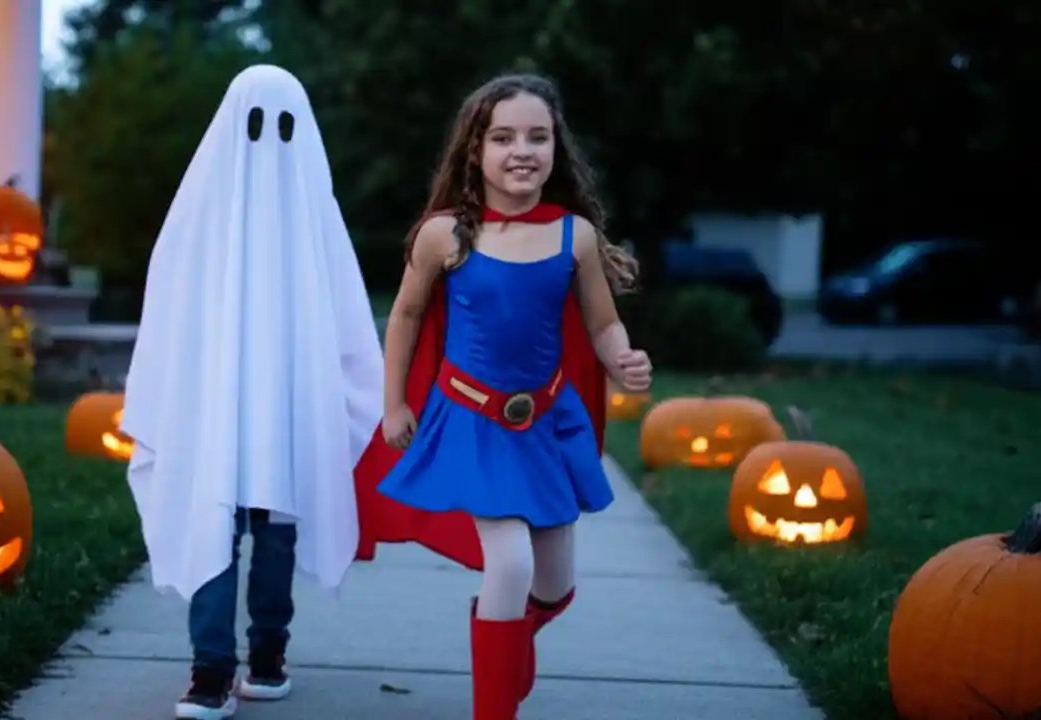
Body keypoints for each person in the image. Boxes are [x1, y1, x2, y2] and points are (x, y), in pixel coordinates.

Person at [352, 72, 652, 720]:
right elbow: (405, 317)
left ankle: (504, 633)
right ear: (475, 151)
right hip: (471, 419)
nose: (523, 150)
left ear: (556, 149)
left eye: (538, 137)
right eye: (504, 137)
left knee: (555, 586)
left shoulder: (574, 235)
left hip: (546, 424)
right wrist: (395, 403)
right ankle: (494, 704)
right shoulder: (445, 235)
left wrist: (621, 358)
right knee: (509, 566)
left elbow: (601, 323)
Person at [121, 64, 384, 720]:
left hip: (286, 409)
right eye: (257, 126)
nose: (272, 144)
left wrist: (347, 393)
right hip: (215, 407)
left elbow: (347, 316)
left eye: (286, 126)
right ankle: (209, 666)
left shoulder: (315, 222)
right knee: (212, 519)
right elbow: (171, 313)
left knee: (276, 532)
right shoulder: (198, 221)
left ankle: (269, 651)